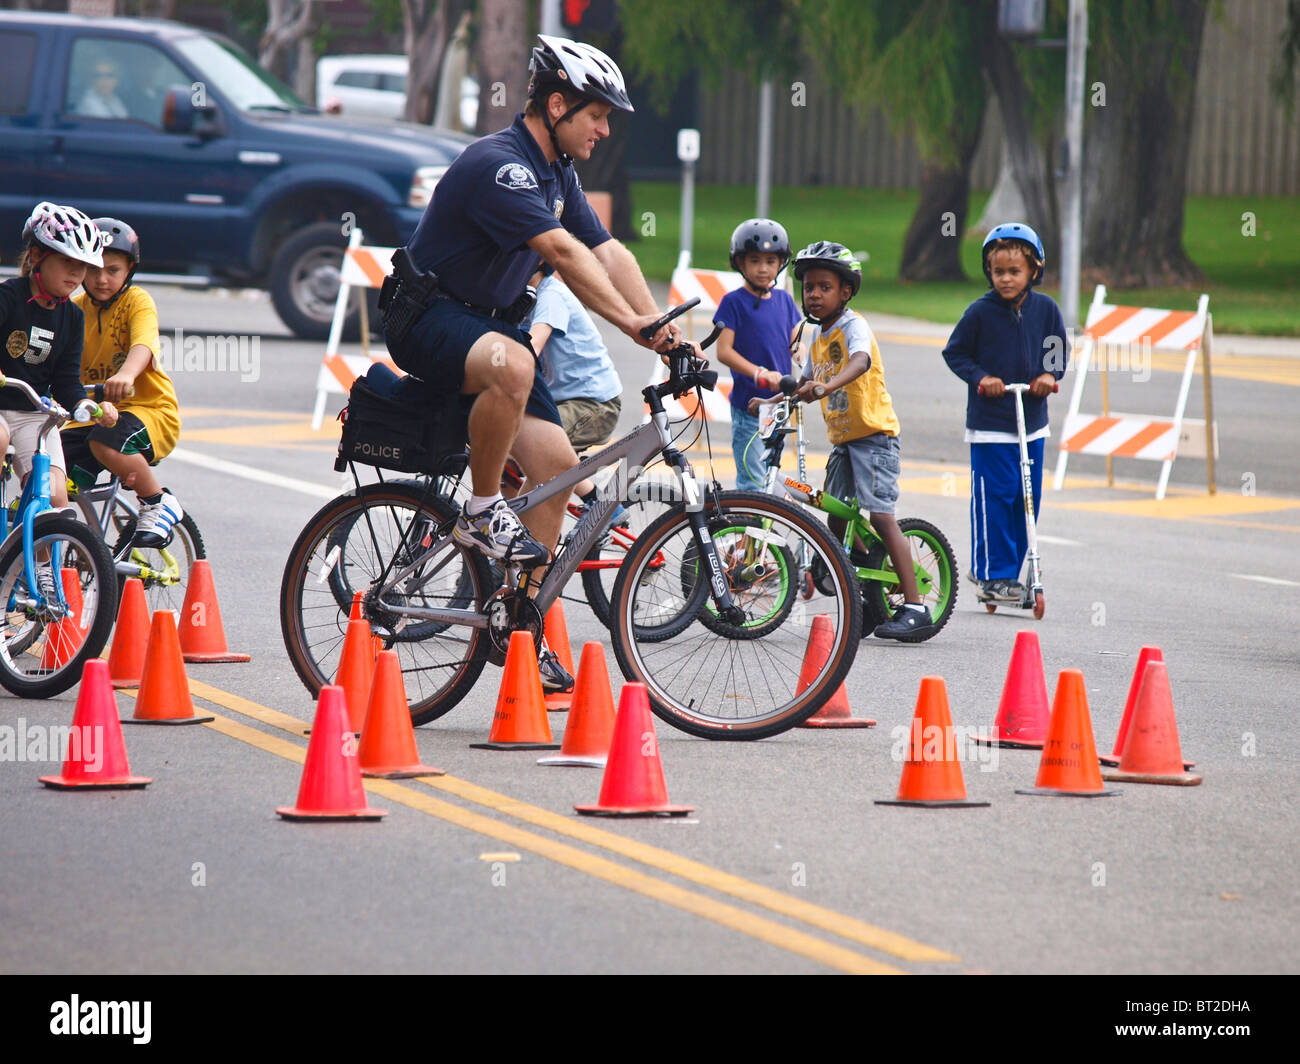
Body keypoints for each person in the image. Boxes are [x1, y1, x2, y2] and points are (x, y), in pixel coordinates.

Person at [383, 34, 681, 690]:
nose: (605, 129)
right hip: (428, 317)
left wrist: (660, 325)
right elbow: (566, 256)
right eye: (597, 114)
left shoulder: (558, 174)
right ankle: (484, 508)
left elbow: (608, 252)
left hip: (489, 328)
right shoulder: (503, 167)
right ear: (556, 105)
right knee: (516, 365)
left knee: (556, 470)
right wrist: (631, 325)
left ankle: (519, 625)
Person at [786, 241, 936, 640]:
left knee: (881, 516)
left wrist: (826, 386)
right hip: (845, 441)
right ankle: (862, 593)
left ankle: (916, 607)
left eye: (824, 287)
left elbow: (859, 361)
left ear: (846, 291)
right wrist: (770, 400)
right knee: (836, 512)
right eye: (809, 288)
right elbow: (803, 381)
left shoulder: (854, 327)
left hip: (874, 437)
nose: (814, 295)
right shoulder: (816, 335)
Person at [942, 223, 1066, 604]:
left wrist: (1049, 374)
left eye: (1014, 271)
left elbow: (1057, 350)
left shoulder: (1045, 309)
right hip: (991, 426)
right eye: (999, 272)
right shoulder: (980, 313)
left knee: (1025, 498)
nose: (1006, 279)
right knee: (995, 496)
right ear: (989, 272)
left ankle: (1011, 576)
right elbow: (956, 353)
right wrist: (982, 378)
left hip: (1032, 424)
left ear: (1033, 271)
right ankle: (991, 573)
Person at [0, 203, 109, 600]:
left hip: (33, 414)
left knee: (56, 496)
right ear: (36, 257)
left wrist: (83, 405)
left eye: (83, 266)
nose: (77, 275)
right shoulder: (8, 298)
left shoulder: (72, 318)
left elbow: (66, 381)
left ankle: (41, 570)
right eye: (66, 263)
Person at [63, 216, 184, 547]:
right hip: (94, 412)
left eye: (112, 270)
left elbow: (144, 344)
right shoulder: (74, 310)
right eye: (94, 269)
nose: (102, 279)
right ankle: (83, 548)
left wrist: (127, 375)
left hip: (148, 411)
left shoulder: (137, 301)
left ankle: (158, 501)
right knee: (51, 459)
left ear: (129, 270)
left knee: (106, 439)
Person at [521, 265, 622, 507]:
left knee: (536, 448)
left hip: (593, 404)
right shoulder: (520, 298)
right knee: (506, 447)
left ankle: (598, 505)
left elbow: (532, 347)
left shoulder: (550, 296)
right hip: (559, 401)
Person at [714, 218, 802, 490]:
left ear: (780, 264)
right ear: (740, 263)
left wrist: (803, 357)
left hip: (778, 407)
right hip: (748, 409)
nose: (763, 268)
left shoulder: (785, 300)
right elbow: (723, 351)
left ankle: (760, 531)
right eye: (755, 260)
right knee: (751, 484)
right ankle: (747, 531)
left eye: (770, 261)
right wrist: (759, 373)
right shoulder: (733, 303)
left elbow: (796, 342)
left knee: (769, 479)